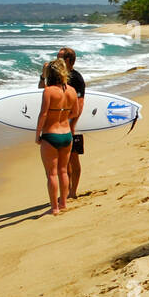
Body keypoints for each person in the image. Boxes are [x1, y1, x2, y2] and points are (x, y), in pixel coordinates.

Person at [35, 57, 78, 215]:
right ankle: (64, 204)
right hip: (66, 135)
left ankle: (54, 208)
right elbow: (75, 112)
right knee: (63, 171)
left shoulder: (48, 91)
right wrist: (64, 118)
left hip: (51, 135)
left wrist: (38, 133)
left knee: (52, 173)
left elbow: (43, 114)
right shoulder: (72, 91)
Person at [58, 47, 86, 198]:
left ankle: (73, 192)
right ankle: (66, 190)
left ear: (68, 60)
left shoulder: (76, 78)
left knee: (73, 157)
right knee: (63, 160)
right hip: (59, 123)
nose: (56, 60)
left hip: (73, 124)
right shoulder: (57, 77)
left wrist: (72, 125)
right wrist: (43, 76)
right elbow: (42, 89)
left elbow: (80, 104)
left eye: (59, 57)